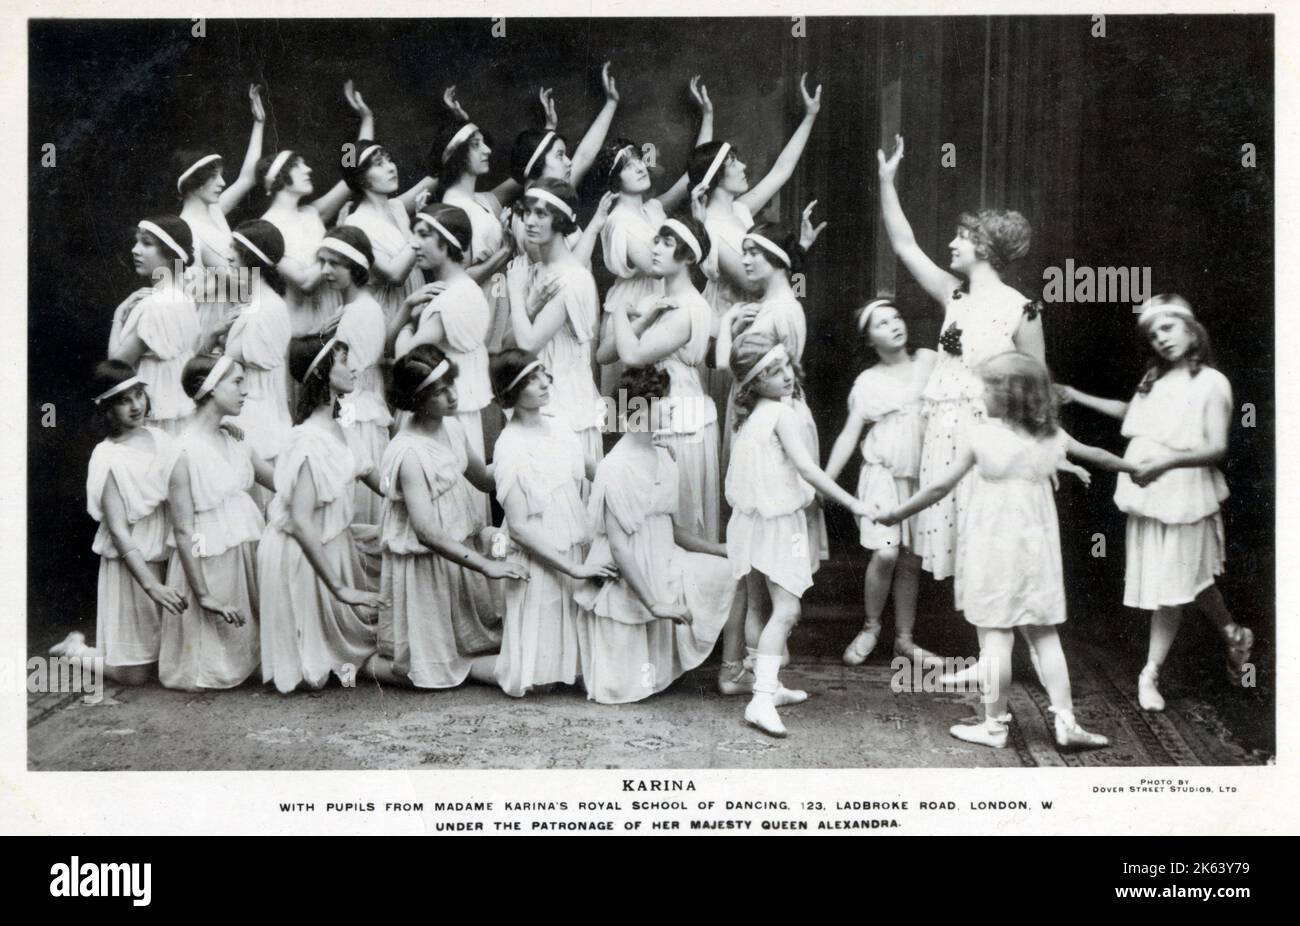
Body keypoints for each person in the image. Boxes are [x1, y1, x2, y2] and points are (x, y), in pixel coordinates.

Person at [875, 351, 1125, 749]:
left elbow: (940, 487)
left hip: (994, 546)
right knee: (1044, 634)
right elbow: (1096, 455)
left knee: (995, 636)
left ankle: (994, 726)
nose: (979, 393)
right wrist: (1136, 470)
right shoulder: (1051, 436)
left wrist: (896, 512)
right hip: (1036, 550)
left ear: (1008, 396)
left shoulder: (981, 437)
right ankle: (1066, 720)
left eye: (987, 387)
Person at [1058, 295, 1251, 711]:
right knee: (1190, 582)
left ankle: (1150, 673)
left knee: (1175, 586)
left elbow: (1216, 447)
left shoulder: (1213, 383)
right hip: (1149, 494)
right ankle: (1234, 633)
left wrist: (1166, 462)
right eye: (1153, 333)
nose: (1161, 339)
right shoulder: (1154, 379)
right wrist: (1077, 394)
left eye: (1168, 328)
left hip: (1187, 493)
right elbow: (1133, 413)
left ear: (1190, 328)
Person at [876, 134, 1044, 583]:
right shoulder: (954, 295)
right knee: (940, 533)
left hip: (989, 434)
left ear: (986, 250)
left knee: (986, 535)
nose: (951, 243)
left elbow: (1036, 387)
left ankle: (991, 648)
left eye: (962, 239)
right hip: (942, 432)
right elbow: (904, 245)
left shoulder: (1021, 308)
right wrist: (886, 181)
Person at [725, 332, 873, 737]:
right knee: (787, 610)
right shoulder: (780, 413)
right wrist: (854, 503)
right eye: (772, 372)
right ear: (754, 383)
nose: (785, 376)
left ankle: (766, 690)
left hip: (751, 521)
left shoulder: (752, 416)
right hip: (776, 524)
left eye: (785, 365)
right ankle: (761, 700)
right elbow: (808, 470)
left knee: (759, 606)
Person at [574, 366, 741, 704]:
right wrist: (654, 602)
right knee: (621, 689)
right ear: (639, 409)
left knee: (732, 570)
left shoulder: (664, 453)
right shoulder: (616, 467)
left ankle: (733, 669)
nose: (673, 406)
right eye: (665, 400)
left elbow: (671, 528)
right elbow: (620, 548)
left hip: (667, 560)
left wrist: (717, 549)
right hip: (630, 576)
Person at [364, 346, 526, 690]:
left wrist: (531, 459)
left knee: (476, 645)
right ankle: (360, 663)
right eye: (439, 391)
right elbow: (426, 532)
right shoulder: (408, 452)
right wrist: (486, 565)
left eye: (452, 384)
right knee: (428, 672)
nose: (453, 395)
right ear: (416, 399)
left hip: (458, 554)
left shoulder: (452, 427)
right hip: (426, 564)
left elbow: (483, 478)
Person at [688, 73, 824, 424]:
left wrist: (810, 116)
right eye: (735, 163)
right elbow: (753, 284)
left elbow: (781, 171)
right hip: (728, 325)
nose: (745, 167)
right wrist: (795, 255)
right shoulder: (713, 229)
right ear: (717, 176)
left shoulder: (739, 209)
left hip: (757, 321)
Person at [258, 332, 388, 694]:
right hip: (299, 554)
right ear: (323, 374)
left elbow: (375, 476)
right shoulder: (307, 441)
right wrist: (342, 589)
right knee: (316, 674)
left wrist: (416, 492)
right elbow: (300, 522)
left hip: (332, 542)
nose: (353, 368)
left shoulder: (341, 427)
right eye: (344, 362)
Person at [488, 349, 618, 697]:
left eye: (544, 373)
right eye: (532, 379)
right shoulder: (510, 446)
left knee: (577, 670)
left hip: (573, 540)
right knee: (536, 678)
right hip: (540, 555)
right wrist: (571, 570)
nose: (545, 382)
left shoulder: (560, 426)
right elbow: (518, 527)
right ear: (512, 391)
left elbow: (598, 471)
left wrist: (643, 450)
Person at [49, 362, 187, 684]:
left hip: (166, 552)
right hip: (132, 565)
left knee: (170, 656)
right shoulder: (107, 455)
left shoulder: (160, 437)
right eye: (125, 400)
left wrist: (227, 430)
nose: (136, 405)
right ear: (107, 408)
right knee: (135, 674)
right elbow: (119, 530)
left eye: (139, 395)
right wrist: (150, 585)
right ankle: (76, 650)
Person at [824, 299, 939, 666]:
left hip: (923, 477)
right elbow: (848, 435)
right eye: (881, 323)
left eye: (896, 318)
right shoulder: (868, 382)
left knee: (910, 558)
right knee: (887, 552)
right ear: (868, 339)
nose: (893, 326)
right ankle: (872, 626)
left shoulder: (928, 361)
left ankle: (904, 639)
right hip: (882, 476)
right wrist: (824, 481)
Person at [599, 214, 720, 540]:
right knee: (646, 519)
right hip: (649, 406)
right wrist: (638, 317)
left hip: (678, 412)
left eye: (667, 244)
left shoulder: (691, 308)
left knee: (679, 519)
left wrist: (624, 315)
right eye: (656, 240)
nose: (655, 248)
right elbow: (603, 355)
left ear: (689, 257)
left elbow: (634, 355)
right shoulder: (654, 301)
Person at [159, 354, 275, 690]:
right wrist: (204, 594)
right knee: (207, 673)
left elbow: (278, 480)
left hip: (244, 547)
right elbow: (183, 529)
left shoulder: (236, 437)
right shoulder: (183, 451)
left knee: (251, 658)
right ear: (209, 389)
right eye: (237, 382)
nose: (245, 391)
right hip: (209, 559)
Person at [592, 76, 713, 394]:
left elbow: (693, 174)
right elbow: (654, 264)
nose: (641, 167)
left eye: (639, 160)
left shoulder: (654, 210)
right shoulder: (618, 220)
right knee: (632, 398)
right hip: (633, 307)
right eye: (629, 166)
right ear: (614, 180)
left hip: (662, 300)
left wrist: (708, 118)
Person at [391, 203, 492, 518]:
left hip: (439, 416)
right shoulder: (471, 290)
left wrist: (408, 320)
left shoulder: (444, 303)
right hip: (461, 413)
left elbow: (405, 362)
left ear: (447, 243)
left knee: (442, 509)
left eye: (423, 235)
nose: (414, 243)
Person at [259, 79, 375, 339]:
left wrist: (366, 119)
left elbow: (353, 170)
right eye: (300, 165)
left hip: (332, 322)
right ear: (280, 178)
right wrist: (338, 237)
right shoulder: (266, 230)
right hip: (300, 333)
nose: (309, 169)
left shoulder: (312, 212)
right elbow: (306, 283)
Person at [505, 179, 605, 473]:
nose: (530, 222)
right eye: (527, 213)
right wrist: (530, 305)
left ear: (560, 220)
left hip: (565, 403)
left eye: (541, 214)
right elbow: (510, 344)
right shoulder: (534, 272)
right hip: (538, 395)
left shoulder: (572, 278)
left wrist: (514, 292)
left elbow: (527, 344)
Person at [174, 84, 267, 345]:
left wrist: (259, 123)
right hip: (209, 322)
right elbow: (239, 284)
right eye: (214, 177)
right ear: (194, 182)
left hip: (230, 313)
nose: (222, 183)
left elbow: (248, 177)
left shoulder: (214, 209)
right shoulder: (188, 229)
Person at [316, 226, 391, 526]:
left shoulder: (362, 312)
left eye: (335, 263)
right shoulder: (349, 308)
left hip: (356, 414)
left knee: (357, 507)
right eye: (322, 262)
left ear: (355, 266)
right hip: (352, 410)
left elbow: (353, 375)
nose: (325, 271)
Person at [108, 216, 203, 436]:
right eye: (136, 242)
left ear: (171, 254)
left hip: (154, 414)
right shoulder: (184, 298)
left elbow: (115, 367)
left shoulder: (154, 307)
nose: (135, 250)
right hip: (180, 410)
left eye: (146, 243)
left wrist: (117, 317)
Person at [224, 219, 292, 511]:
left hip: (259, 415)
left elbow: (240, 360)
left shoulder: (268, 309)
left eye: (234, 250)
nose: (227, 256)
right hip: (250, 409)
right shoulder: (256, 305)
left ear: (251, 258)